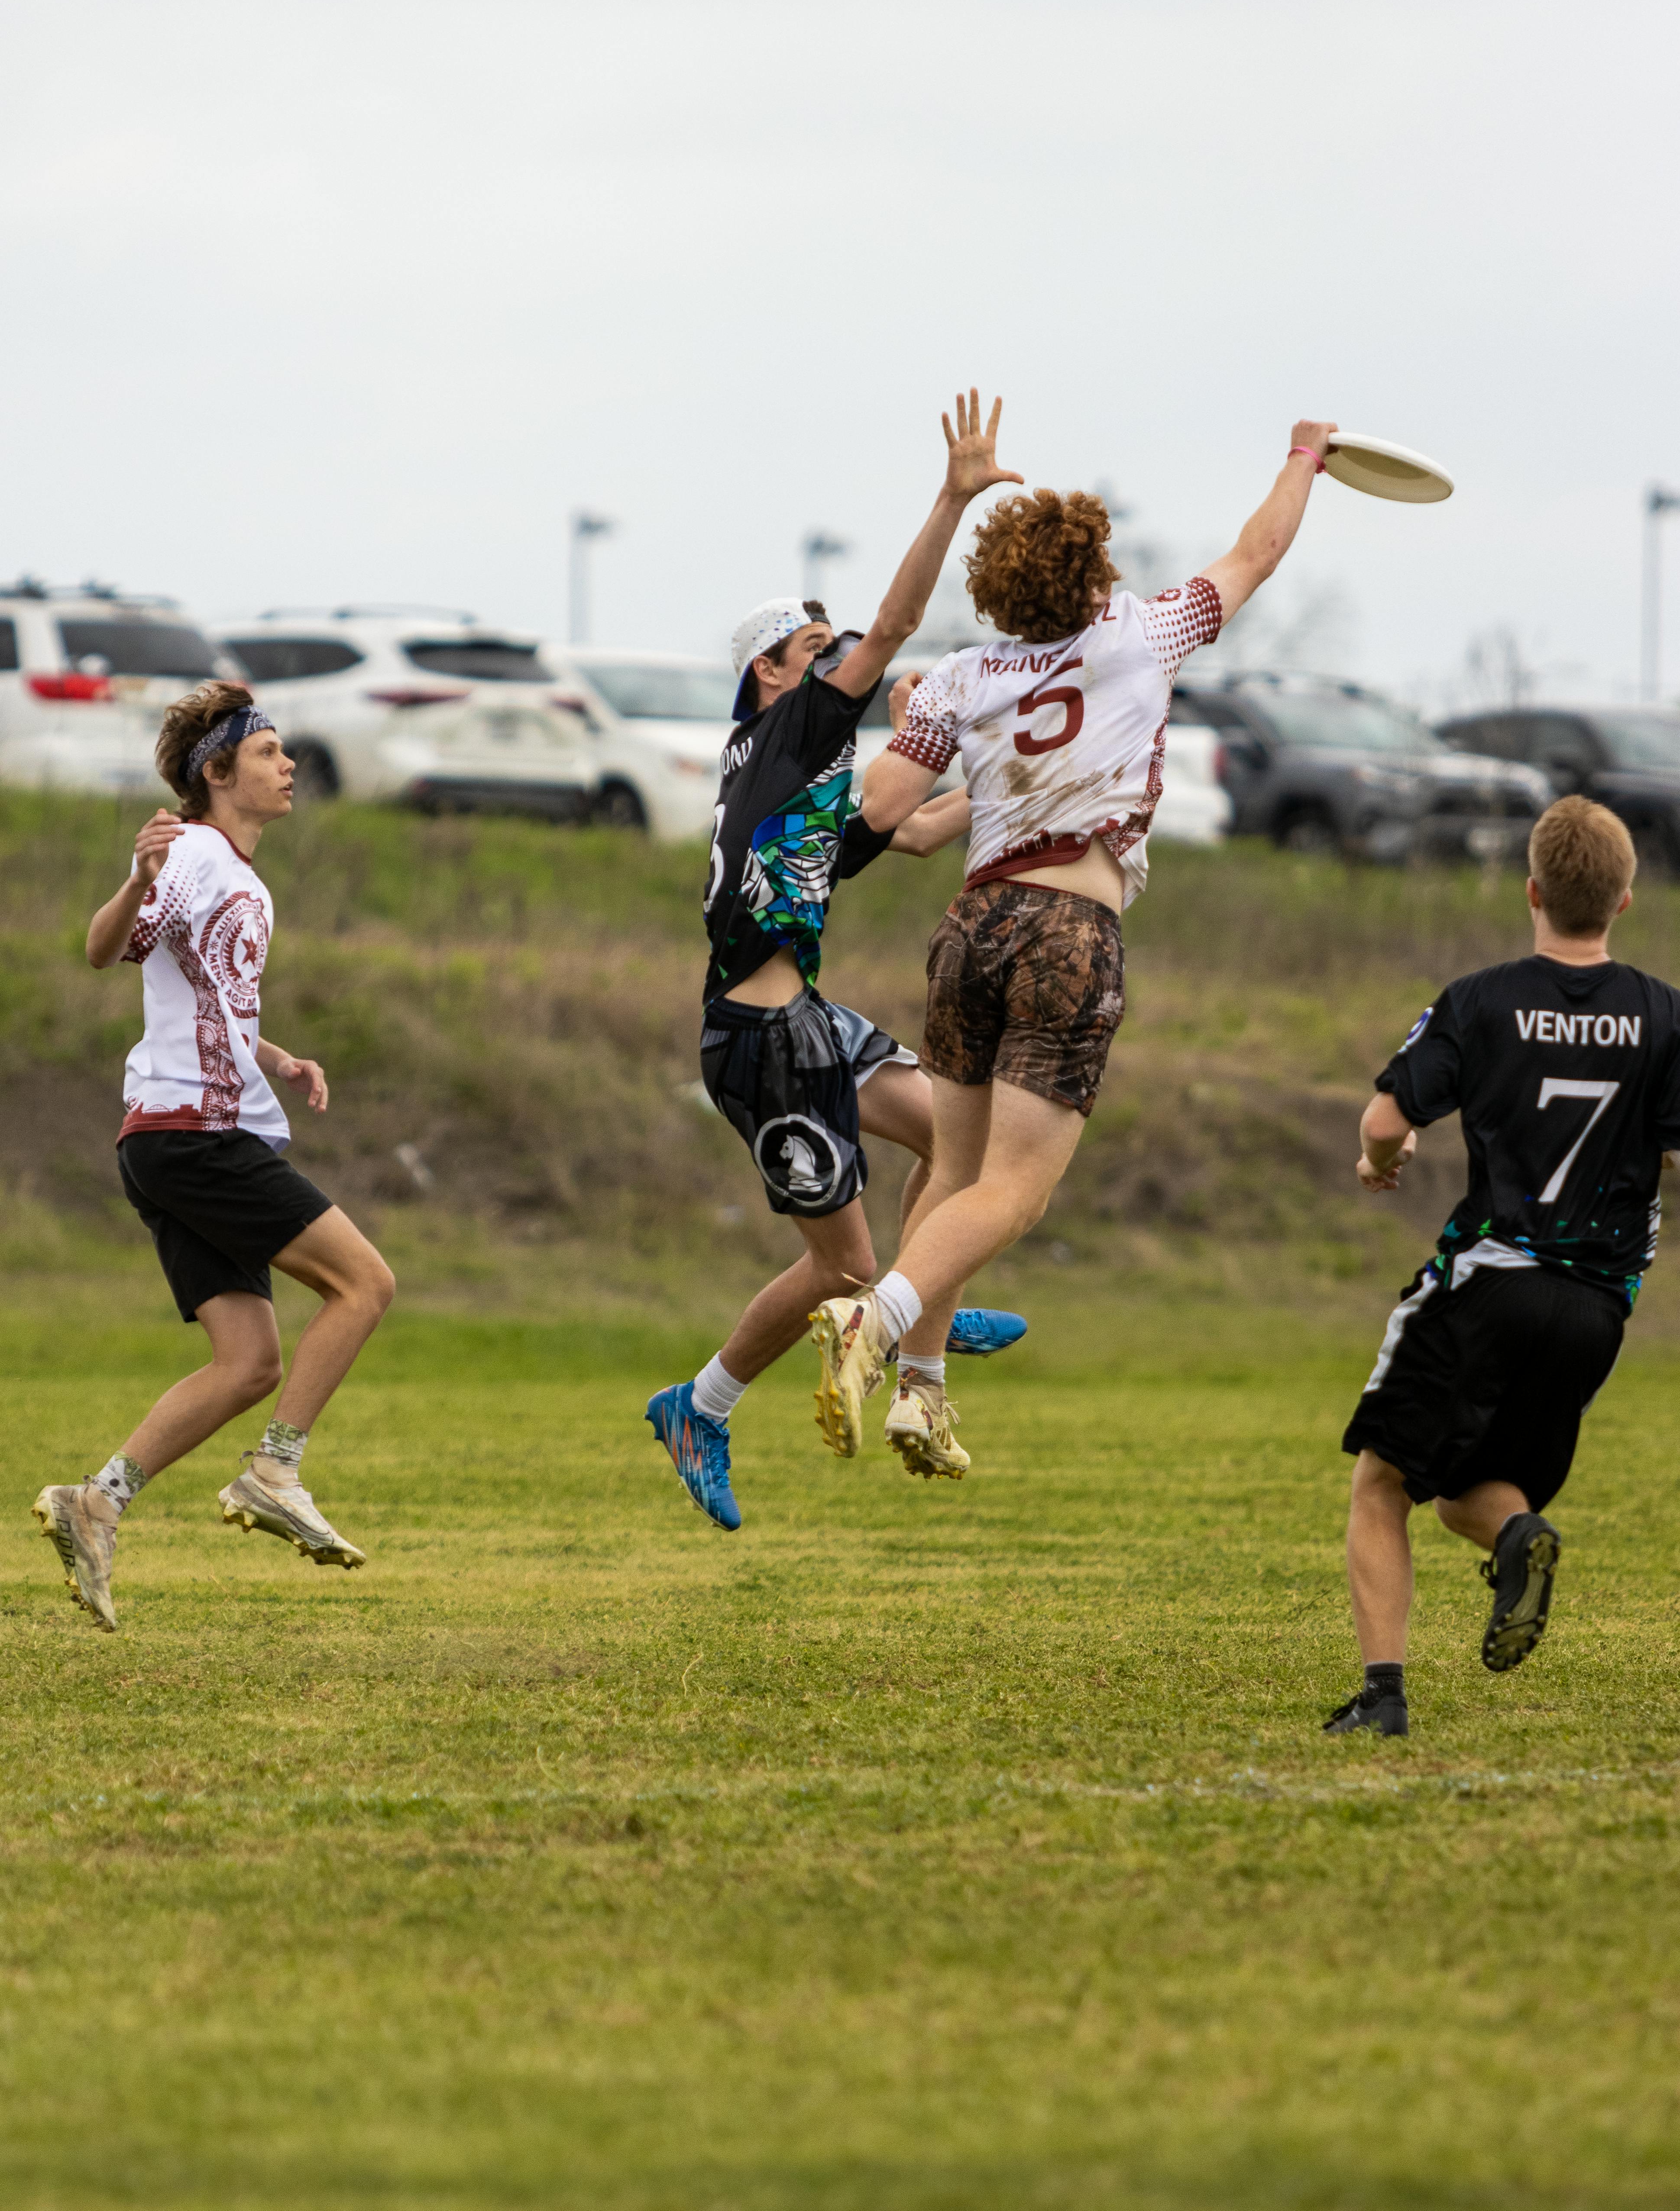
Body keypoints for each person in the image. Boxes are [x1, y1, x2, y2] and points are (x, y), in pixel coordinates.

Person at [812, 420, 1340, 1474]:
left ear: (997, 590)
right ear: (1096, 569)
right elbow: (1256, 553)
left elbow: (882, 808)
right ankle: (876, 1324)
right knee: (1015, 1192)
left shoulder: (965, 674)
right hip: (1067, 928)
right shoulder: (1145, 632)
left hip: (971, 926)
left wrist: (916, 716)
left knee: (952, 1174)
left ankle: (922, 1390)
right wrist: (1303, 458)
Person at [644, 391, 1030, 1531]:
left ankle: (928, 1318)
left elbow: (909, 828)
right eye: (815, 652)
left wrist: (1030, 784)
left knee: (966, 1137)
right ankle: (701, 1405)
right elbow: (899, 628)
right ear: (771, 674)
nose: (839, 663)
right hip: (759, 1044)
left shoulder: (798, 783)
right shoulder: (783, 732)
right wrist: (954, 498)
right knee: (845, 1271)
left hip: (812, 1021)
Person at [32, 681, 395, 1634]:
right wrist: (135, 877)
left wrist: (275, 1054)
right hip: (194, 1136)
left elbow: (205, 995)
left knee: (246, 1360)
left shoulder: (239, 872)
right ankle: (276, 1470)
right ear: (217, 772)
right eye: (270, 752)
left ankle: (96, 1499)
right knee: (363, 1285)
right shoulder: (192, 852)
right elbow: (108, 947)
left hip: (166, 1137)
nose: (287, 767)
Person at [1324, 796, 1680, 1738]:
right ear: (1624, 900)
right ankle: (1519, 1537)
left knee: (1381, 1483)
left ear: (1530, 890)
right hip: (1595, 1308)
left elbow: (1384, 1120)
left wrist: (1379, 1162)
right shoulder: (1662, 1015)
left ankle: (1382, 1697)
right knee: (1463, 1496)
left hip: (1490, 1279)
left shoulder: (1478, 999)